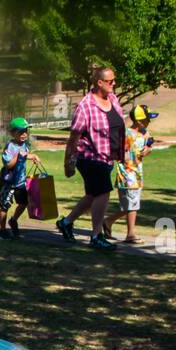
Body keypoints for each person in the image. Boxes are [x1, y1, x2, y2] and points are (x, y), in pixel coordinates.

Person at [56, 65, 126, 250]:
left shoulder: (113, 99)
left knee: (92, 195)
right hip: (89, 157)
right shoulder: (85, 106)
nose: (114, 83)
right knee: (103, 191)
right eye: (110, 81)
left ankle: (66, 222)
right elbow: (74, 137)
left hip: (108, 156)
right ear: (99, 82)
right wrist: (67, 163)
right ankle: (96, 236)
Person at [104, 105, 157, 244]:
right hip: (127, 172)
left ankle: (108, 221)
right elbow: (116, 150)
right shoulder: (126, 134)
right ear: (139, 121)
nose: (149, 122)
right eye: (147, 119)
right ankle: (130, 234)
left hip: (137, 172)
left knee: (131, 204)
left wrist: (148, 147)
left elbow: (151, 140)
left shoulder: (144, 132)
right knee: (132, 204)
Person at [0, 118, 41, 239]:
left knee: (23, 203)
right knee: (4, 206)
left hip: (20, 181)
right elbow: (8, 164)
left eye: (25, 131)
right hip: (8, 181)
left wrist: (33, 157)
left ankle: (13, 220)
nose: (24, 134)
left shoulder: (25, 145)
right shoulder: (10, 147)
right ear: (12, 133)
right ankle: (2, 230)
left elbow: (25, 155)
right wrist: (18, 156)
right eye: (20, 132)